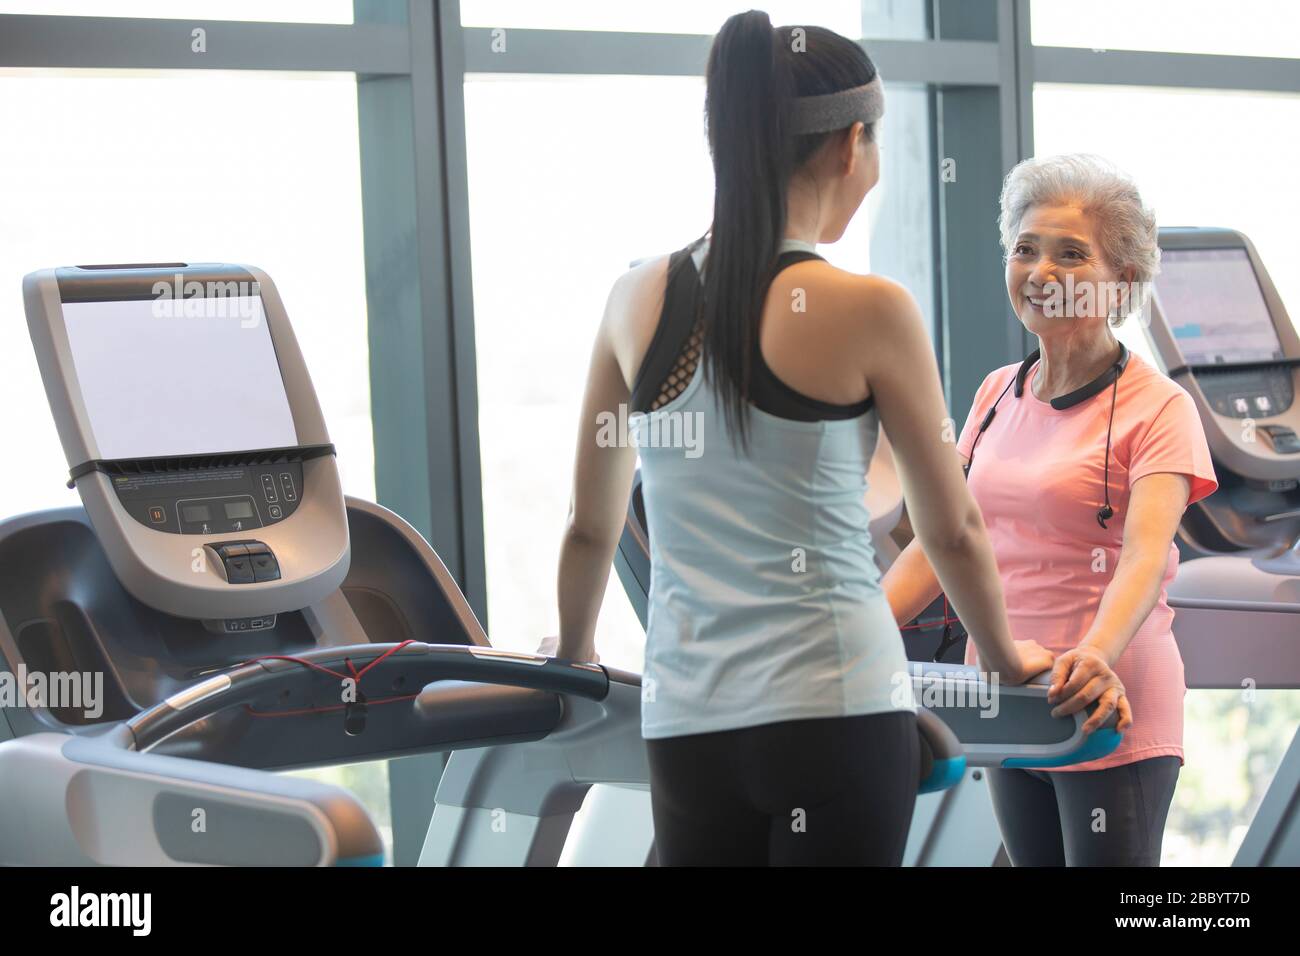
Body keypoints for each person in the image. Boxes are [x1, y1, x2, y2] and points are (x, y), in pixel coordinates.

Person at [551, 10, 1060, 866]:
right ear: (849, 144)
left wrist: (573, 657)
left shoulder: (632, 299)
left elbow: (590, 526)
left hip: (688, 725)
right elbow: (952, 528)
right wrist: (1005, 659)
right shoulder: (869, 310)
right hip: (838, 713)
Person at [883, 153, 1218, 866]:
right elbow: (945, 539)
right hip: (1006, 698)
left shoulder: (1160, 409)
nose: (1040, 272)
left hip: (1105, 698)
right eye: (1025, 248)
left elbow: (1143, 554)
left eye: (1071, 255)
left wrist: (1096, 655)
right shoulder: (998, 391)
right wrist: (860, 631)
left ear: (1122, 281)